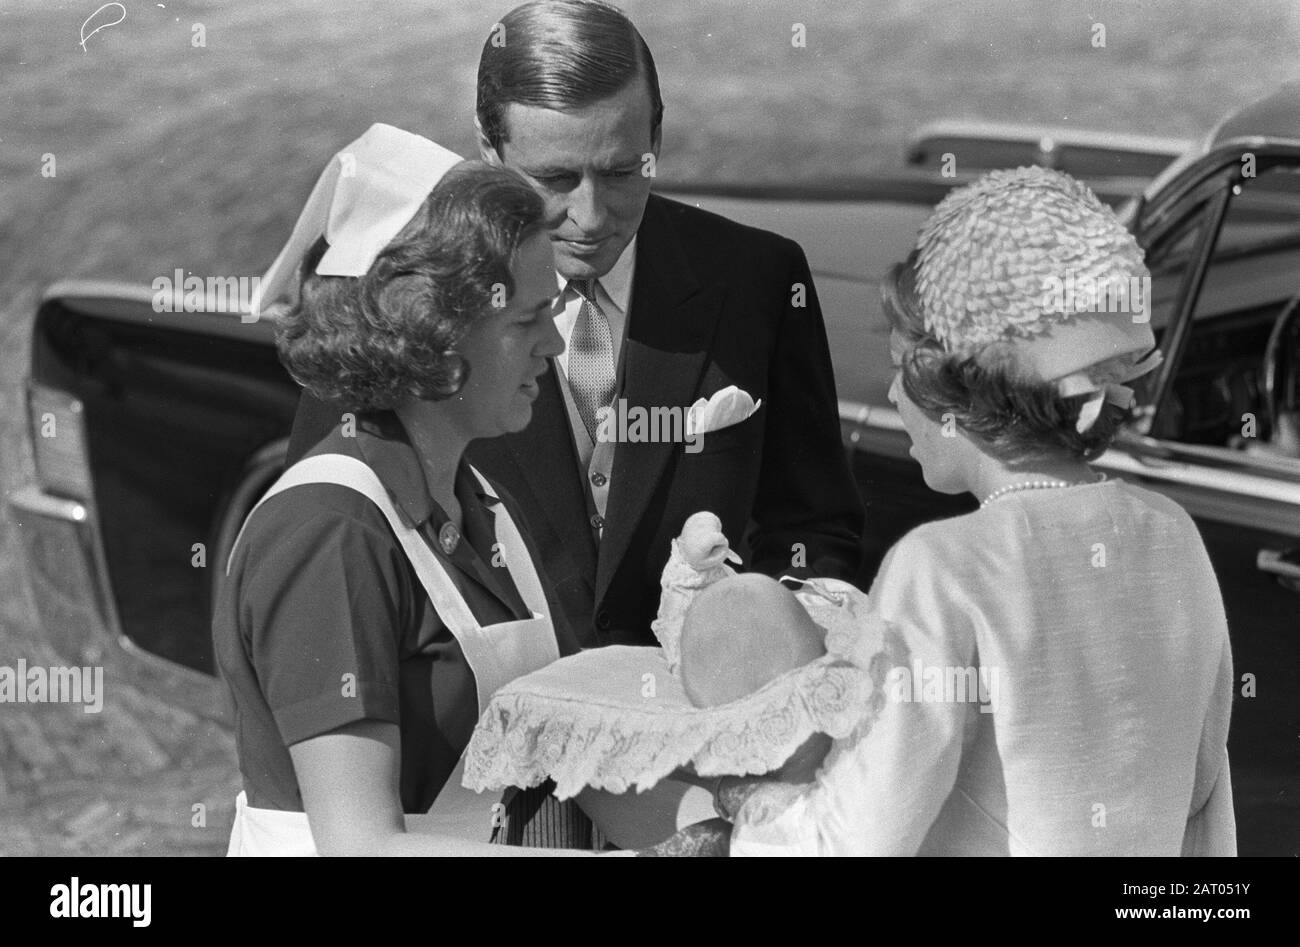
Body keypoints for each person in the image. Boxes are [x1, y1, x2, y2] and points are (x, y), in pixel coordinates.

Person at [284, 0, 866, 648]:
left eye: (620, 172)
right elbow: (335, 521)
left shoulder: (759, 277)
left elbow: (813, 526)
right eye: (555, 178)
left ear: (656, 136)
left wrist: (772, 659)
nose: (591, 216)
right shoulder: (392, 298)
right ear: (488, 148)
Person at [722, 166, 1237, 856]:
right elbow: (1202, 792)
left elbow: (859, 838)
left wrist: (746, 806)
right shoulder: (1172, 533)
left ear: (955, 386)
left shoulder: (943, 566)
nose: (894, 394)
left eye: (901, 364)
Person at [213, 123, 598, 856]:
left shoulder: (478, 501)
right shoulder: (330, 532)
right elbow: (361, 844)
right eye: (527, 320)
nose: (553, 345)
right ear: (432, 335)